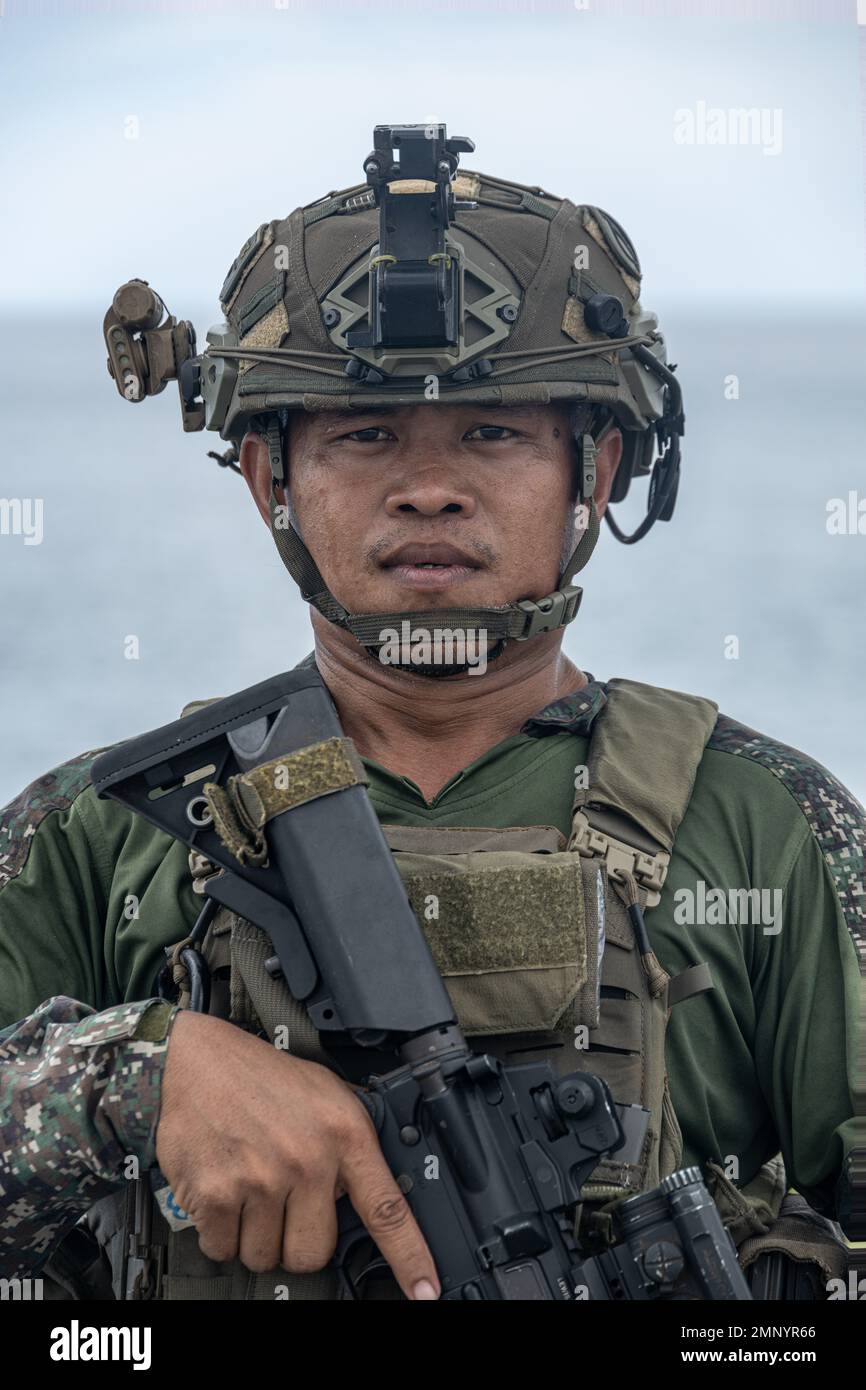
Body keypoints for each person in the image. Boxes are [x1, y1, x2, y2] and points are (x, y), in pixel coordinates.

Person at [0, 124, 861, 1302]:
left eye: (493, 430)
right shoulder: (99, 833)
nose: (429, 486)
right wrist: (129, 1080)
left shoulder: (766, 824)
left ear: (595, 470)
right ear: (269, 478)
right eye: (365, 435)